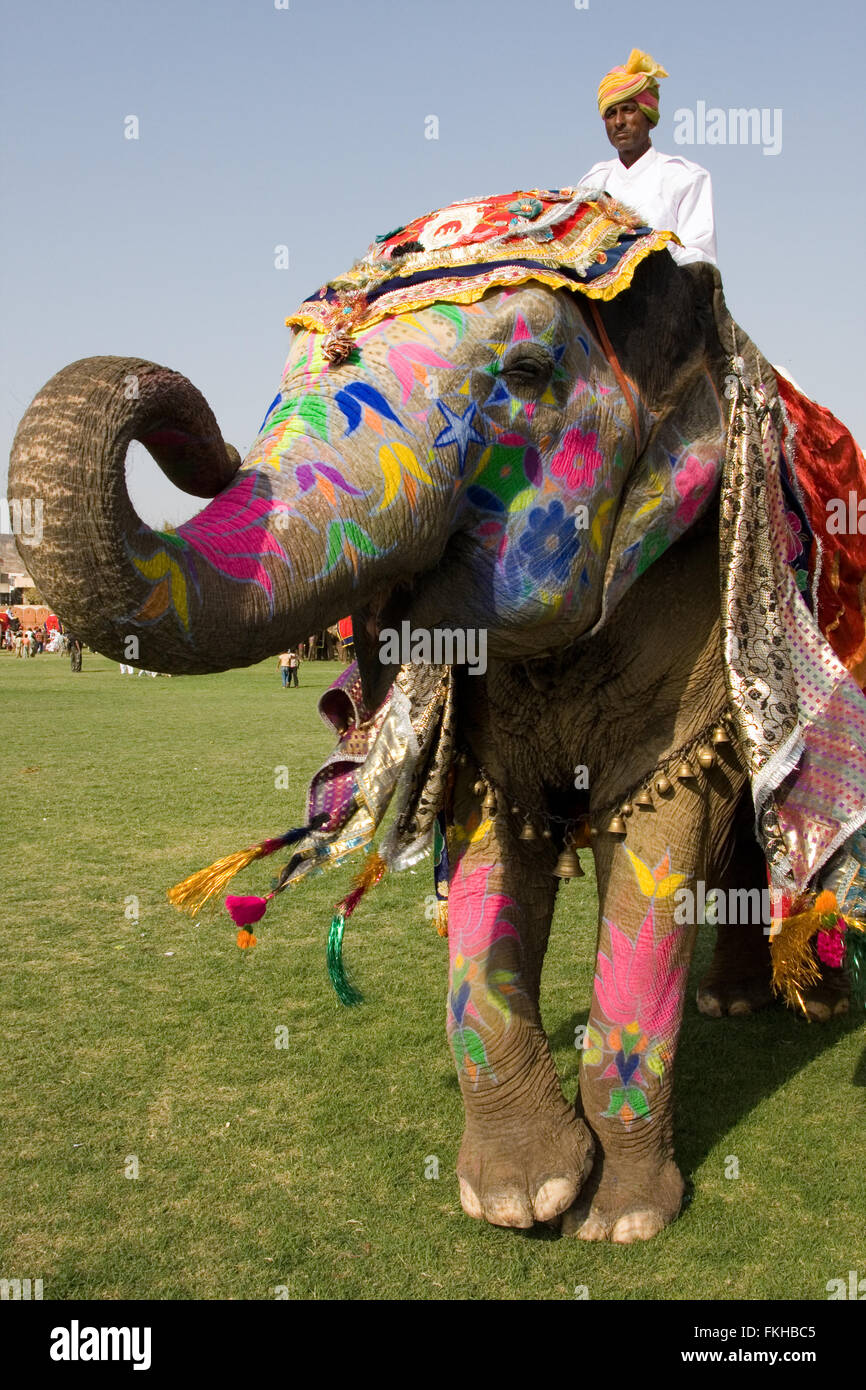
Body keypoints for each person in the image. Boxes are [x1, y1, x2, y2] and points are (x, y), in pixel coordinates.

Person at [579, 49, 717, 267]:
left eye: (628, 110)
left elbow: (697, 258)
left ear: (649, 118)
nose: (618, 122)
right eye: (610, 114)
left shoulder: (685, 177)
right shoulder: (593, 184)